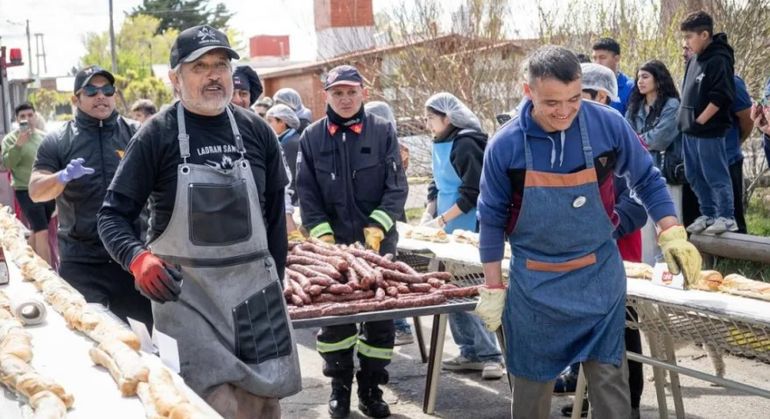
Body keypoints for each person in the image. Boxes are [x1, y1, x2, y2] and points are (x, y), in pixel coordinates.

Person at [474, 45, 701, 419]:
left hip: (599, 279)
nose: (564, 111)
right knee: (531, 390)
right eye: (552, 102)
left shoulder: (607, 124)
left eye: (574, 98)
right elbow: (491, 218)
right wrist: (494, 286)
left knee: (610, 385)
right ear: (528, 91)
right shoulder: (505, 144)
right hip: (535, 286)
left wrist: (672, 231)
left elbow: (646, 178)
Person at [96, 25, 300, 418]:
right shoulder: (156, 135)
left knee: (263, 403)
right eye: (199, 67)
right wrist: (138, 259)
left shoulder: (257, 131)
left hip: (254, 296)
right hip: (188, 300)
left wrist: (276, 280)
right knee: (208, 405)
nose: (213, 76)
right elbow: (112, 216)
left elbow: (275, 217)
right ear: (175, 78)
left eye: (220, 65)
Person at [296, 64, 407, 418]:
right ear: (326, 96)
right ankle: (339, 389)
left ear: (364, 94)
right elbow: (306, 194)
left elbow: (396, 188)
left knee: (380, 318)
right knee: (336, 320)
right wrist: (323, 238)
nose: (345, 99)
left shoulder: (383, 131)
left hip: (379, 246)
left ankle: (371, 390)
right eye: (337, 93)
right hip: (334, 248)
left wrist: (378, 227)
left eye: (351, 92)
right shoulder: (311, 137)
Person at [555, 63, 649, 419]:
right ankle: (587, 398)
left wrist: (603, 228)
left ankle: (631, 403)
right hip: (580, 255)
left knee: (624, 330)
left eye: (580, 96)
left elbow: (638, 202)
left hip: (619, 252)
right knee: (587, 330)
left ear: (603, 97)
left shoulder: (623, 137)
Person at [28, 65, 151, 327]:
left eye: (107, 90)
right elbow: (36, 191)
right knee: (85, 336)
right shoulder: (58, 140)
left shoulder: (137, 134)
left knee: (140, 340)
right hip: (80, 261)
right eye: (91, 91)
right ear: (76, 99)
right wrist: (61, 177)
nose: (101, 96)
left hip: (130, 256)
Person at [417, 92, 505, 380]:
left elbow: (472, 191)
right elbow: (436, 183)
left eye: (431, 118)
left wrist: (443, 219)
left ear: (448, 118)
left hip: (470, 224)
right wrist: (429, 214)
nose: (428, 124)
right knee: (450, 288)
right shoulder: (439, 141)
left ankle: (491, 355)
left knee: (472, 288)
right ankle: (469, 351)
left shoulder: (466, 142)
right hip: (447, 223)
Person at [678, 11, 737, 235]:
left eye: (689, 37)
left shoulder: (719, 58)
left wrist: (700, 121)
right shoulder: (694, 59)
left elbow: (722, 96)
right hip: (689, 131)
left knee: (715, 174)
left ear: (704, 34)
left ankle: (726, 216)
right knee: (694, 174)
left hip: (709, 131)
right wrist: (687, 123)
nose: (686, 43)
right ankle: (709, 213)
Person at [364, 100, 414, 347]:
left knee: (387, 274)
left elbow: (395, 187)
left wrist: (379, 224)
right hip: (375, 219)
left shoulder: (393, 146)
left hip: (386, 220)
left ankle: (401, 327)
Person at [2, 103, 55, 264]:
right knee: (42, 231)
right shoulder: (10, 139)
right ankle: (48, 272)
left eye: (30, 115)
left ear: (35, 116)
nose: (27, 119)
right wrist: (18, 145)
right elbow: (7, 164)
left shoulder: (44, 137)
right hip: (25, 190)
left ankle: (25, 262)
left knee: (38, 229)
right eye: (23, 116)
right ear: (17, 119)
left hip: (45, 188)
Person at [265, 104, 304, 240]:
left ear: (282, 122)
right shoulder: (286, 140)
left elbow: (291, 178)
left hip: (293, 204)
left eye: (270, 121)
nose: (268, 125)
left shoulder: (290, 144)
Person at [591, 38, 634, 115]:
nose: (597, 62)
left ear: (617, 59)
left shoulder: (630, 87)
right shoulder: (589, 86)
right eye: (594, 58)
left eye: (602, 57)